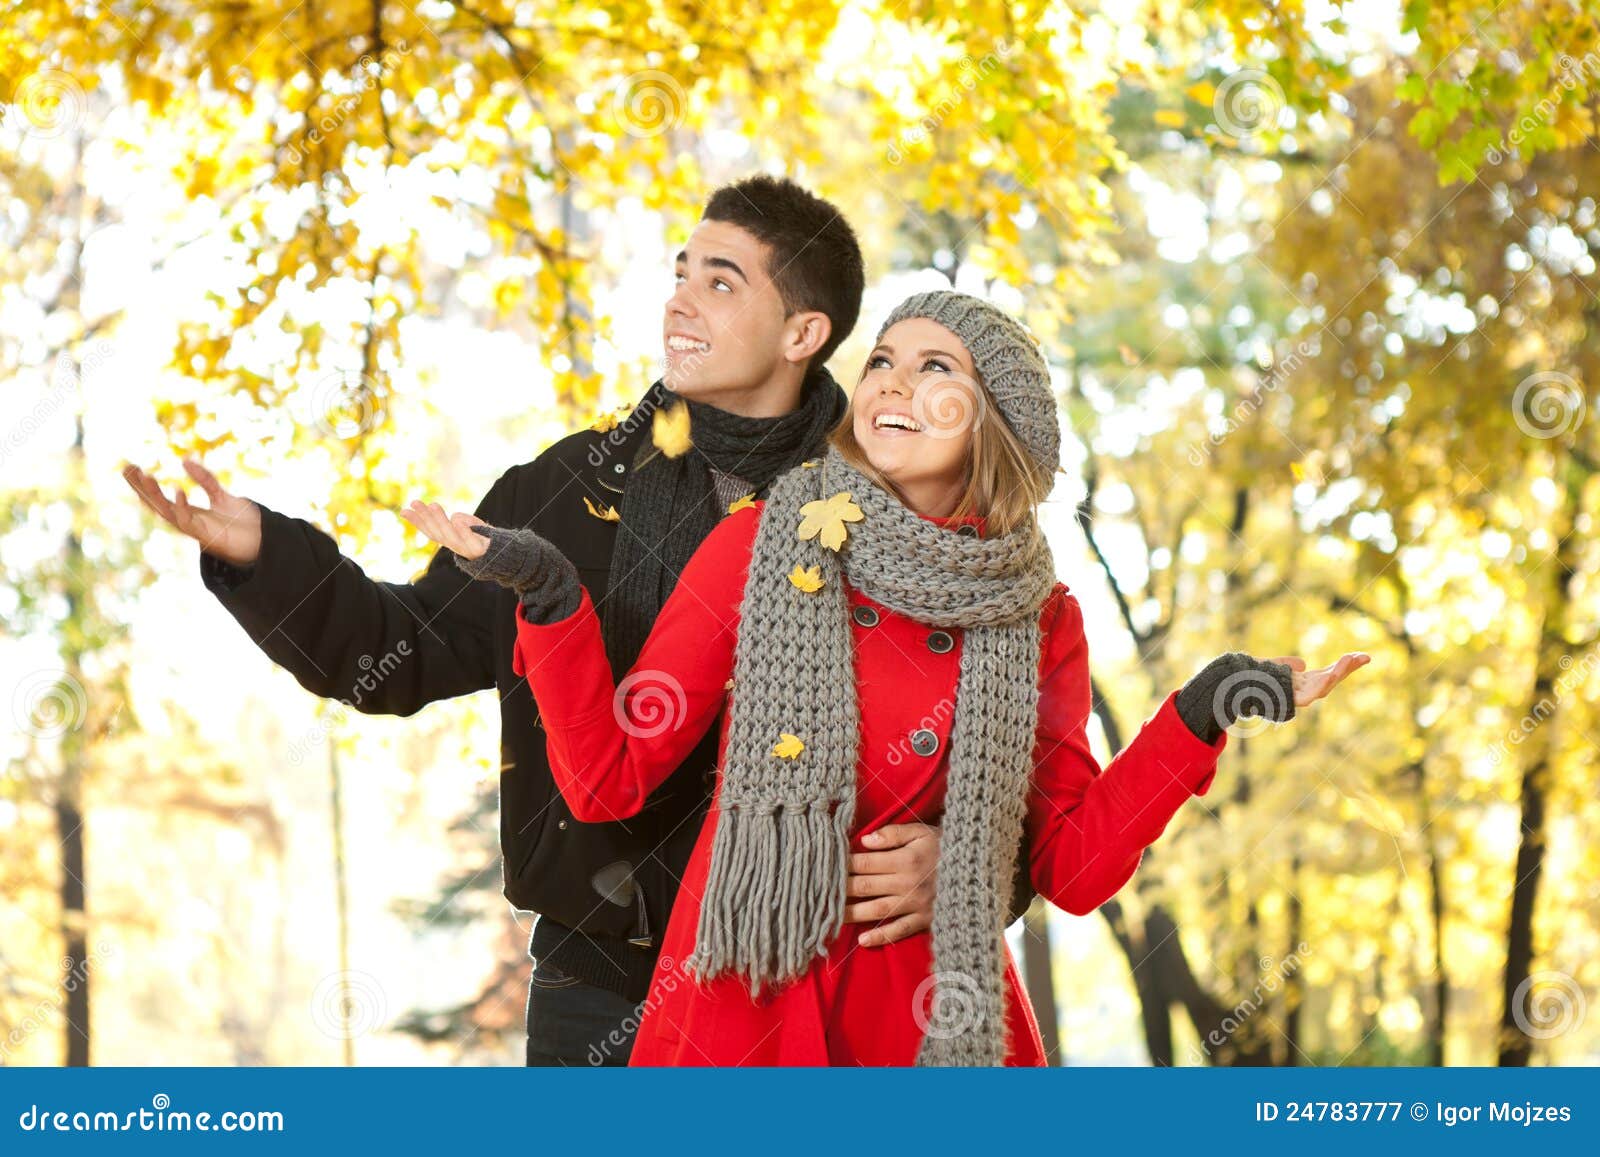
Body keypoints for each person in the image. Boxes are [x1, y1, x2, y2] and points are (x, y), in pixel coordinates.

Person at [121, 177, 1031, 1066]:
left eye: (721, 283)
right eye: (680, 274)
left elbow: (1009, 755)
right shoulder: (568, 489)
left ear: (803, 332)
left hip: (811, 987)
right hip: (596, 989)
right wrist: (263, 554)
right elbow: (400, 652)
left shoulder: (896, 509)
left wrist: (979, 867)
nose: (680, 301)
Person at [408, 289, 1372, 1065]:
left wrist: (1201, 709)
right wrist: (550, 593)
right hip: (746, 1014)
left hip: (927, 1021)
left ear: (997, 422)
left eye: (936, 367)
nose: (892, 382)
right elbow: (608, 776)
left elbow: (1073, 868)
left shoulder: (1041, 617)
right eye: (881, 360)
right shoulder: (764, 543)